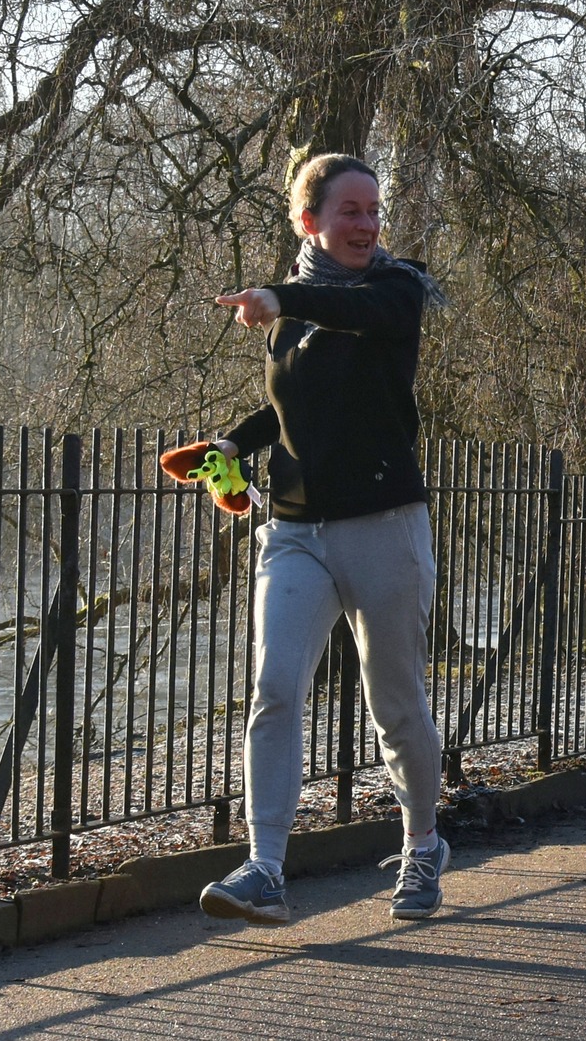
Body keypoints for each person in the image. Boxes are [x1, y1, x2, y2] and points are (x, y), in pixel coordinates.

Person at [185, 154, 450, 925]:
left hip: (385, 525)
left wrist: (276, 295)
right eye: (351, 211)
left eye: (374, 210)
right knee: (274, 688)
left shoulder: (397, 289)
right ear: (310, 221)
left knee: (395, 702)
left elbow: (355, 317)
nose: (368, 224)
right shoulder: (291, 310)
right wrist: (234, 443)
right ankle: (265, 864)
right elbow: (295, 404)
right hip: (296, 529)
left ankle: (423, 843)